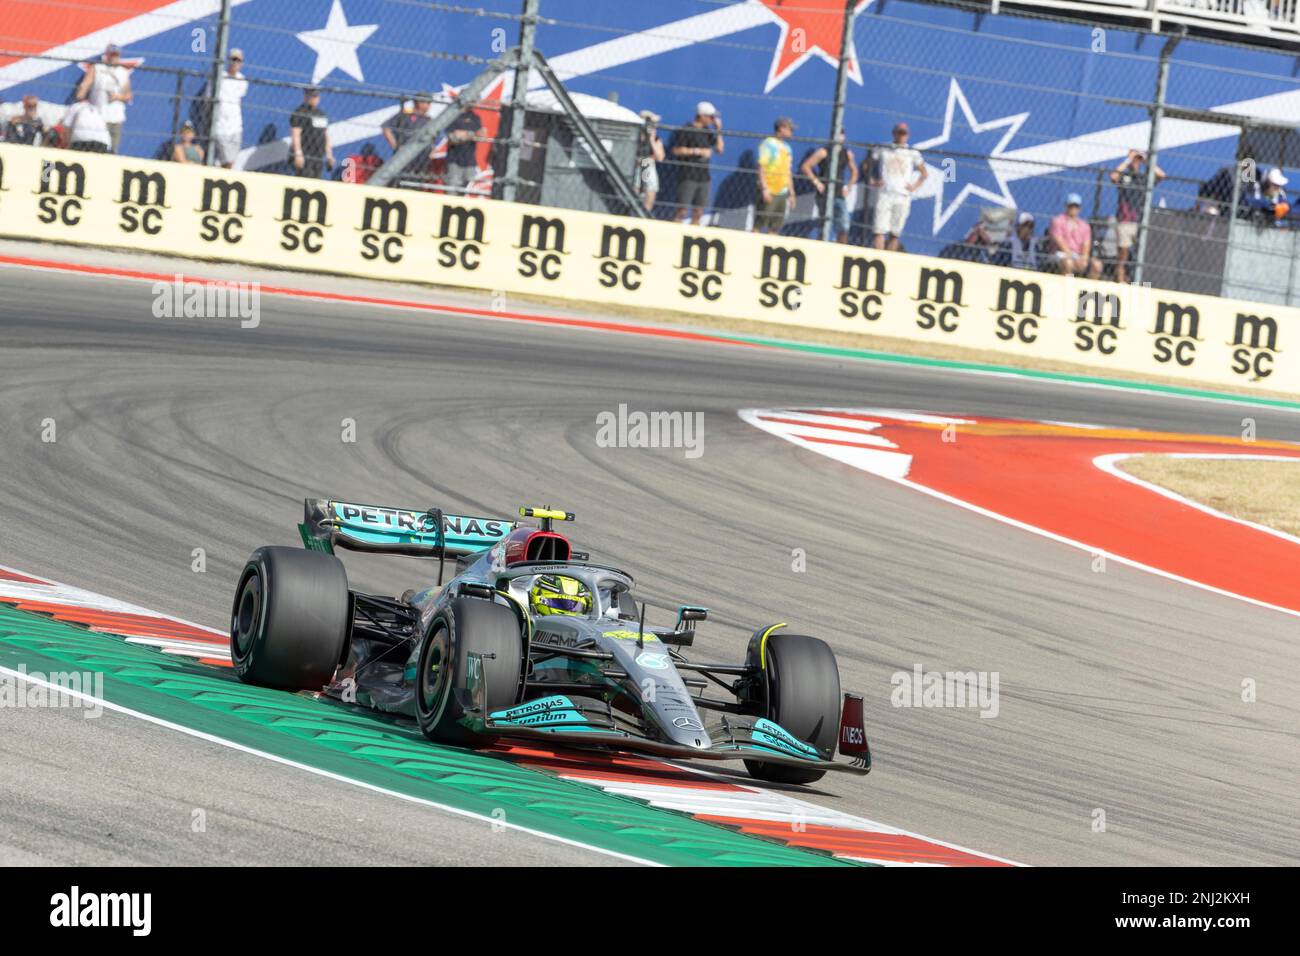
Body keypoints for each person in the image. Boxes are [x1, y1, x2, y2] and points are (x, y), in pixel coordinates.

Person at [868, 121, 926, 250]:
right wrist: (872, 180)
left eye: (904, 133)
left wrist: (914, 186)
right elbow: (868, 164)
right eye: (899, 132)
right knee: (879, 230)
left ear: (908, 135)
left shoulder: (912, 153)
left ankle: (889, 260)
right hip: (885, 193)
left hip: (902, 196)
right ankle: (878, 257)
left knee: (895, 233)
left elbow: (924, 173)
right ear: (893, 133)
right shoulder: (883, 148)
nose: (901, 136)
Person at [1110, 149, 1164, 283]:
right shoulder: (1124, 176)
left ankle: (1137, 281)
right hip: (1124, 220)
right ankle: (1120, 281)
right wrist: (1128, 159)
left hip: (1140, 222)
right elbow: (1113, 177)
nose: (1136, 162)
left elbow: (1161, 175)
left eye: (1137, 160)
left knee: (1140, 255)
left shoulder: (1143, 178)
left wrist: (1146, 161)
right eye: (1134, 159)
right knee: (1123, 254)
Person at [669, 101, 724, 224]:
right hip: (688, 175)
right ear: (702, 115)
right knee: (682, 211)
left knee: (699, 212)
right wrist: (697, 151)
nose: (712, 119)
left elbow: (720, 149)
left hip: (704, 177)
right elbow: (676, 150)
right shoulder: (687, 129)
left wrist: (718, 130)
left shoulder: (708, 131)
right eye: (711, 117)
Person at [800, 132, 858, 242]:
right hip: (824, 195)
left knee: (844, 227)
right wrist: (817, 182)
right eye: (837, 134)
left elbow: (854, 172)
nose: (839, 137)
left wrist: (848, 188)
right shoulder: (823, 152)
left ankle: (840, 251)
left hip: (839, 195)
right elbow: (806, 166)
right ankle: (821, 249)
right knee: (825, 226)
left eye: (842, 134)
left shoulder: (847, 153)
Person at [76, 43, 131, 153]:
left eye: (116, 55)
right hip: (99, 116)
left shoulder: (123, 72)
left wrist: (118, 97)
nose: (114, 57)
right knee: (97, 148)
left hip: (116, 117)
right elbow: (85, 85)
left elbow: (128, 95)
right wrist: (81, 96)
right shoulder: (97, 68)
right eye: (112, 55)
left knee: (113, 149)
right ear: (107, 55)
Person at [754, 117, 796, 234]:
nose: (791, 132)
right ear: (781, 128)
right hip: (769, 190)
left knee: (775, 227)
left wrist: (791, 193)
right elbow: (761, 167)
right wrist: (765, 189)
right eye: (790, 129)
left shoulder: (787, 148)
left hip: (782, 192)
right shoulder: (768, 144)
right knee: (759, 224)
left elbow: (788, 171)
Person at [382, 91, 434, 185]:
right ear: (419, 103)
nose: (430, 106)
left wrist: (431, 152)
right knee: (399, 180)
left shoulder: (429, 120)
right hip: (405, 154)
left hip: (422, 157)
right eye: (428, 103)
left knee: (417, 183)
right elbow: (386, 128)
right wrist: (396, 146)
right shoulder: (405, 115)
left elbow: (433, 139)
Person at [211, 48, 248, 169]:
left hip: (236, 126)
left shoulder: (242, 80)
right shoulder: (219, 77)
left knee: (229, 162)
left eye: (238, 60)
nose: (235, 63)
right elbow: (208, 98)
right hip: (221, 126)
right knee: (227, 161)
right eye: (233, 59)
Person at [1049, 193, 1100, 277]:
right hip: (1060, 254)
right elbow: (1059, 241)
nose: (1073, 208)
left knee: (1097, 265)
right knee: (1068, 262)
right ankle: (1069, 288)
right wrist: (1073, 257)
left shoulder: (1084, 226)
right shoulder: (1057, 221)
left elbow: (1086, 245)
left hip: (1078, 255)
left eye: (1076, 206)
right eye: (1071, 206)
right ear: (1066, 206)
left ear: (1080, 208)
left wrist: (1084, 258)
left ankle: (1089, 288)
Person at [290, 86, 333, 178]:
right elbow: (295, 134)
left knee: (317, 181)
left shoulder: (321, 114)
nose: (315, 99)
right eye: (312, 96)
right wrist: (298, 154)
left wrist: (329, 155)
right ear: (306, 96)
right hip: (305, 155)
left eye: (316, 96)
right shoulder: (300, 112)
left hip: (318, 156)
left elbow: (326, 135)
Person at [444, 105, 483, 195]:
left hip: (470, 161)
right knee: (451, 192)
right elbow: (452, 138)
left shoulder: (475, 117)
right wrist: (471, 134)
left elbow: (481, 135)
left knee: (468, 193)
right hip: (454, 160)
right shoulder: (453, 115)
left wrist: (463, 135)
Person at [634, 109, 665, 212]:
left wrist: (651, 139)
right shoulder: (635, 136)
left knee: (649, 194)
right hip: (636, 168)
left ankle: (645, 217)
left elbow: (660, 157)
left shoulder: (656, 139)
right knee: (635, 193)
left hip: (648, 167)